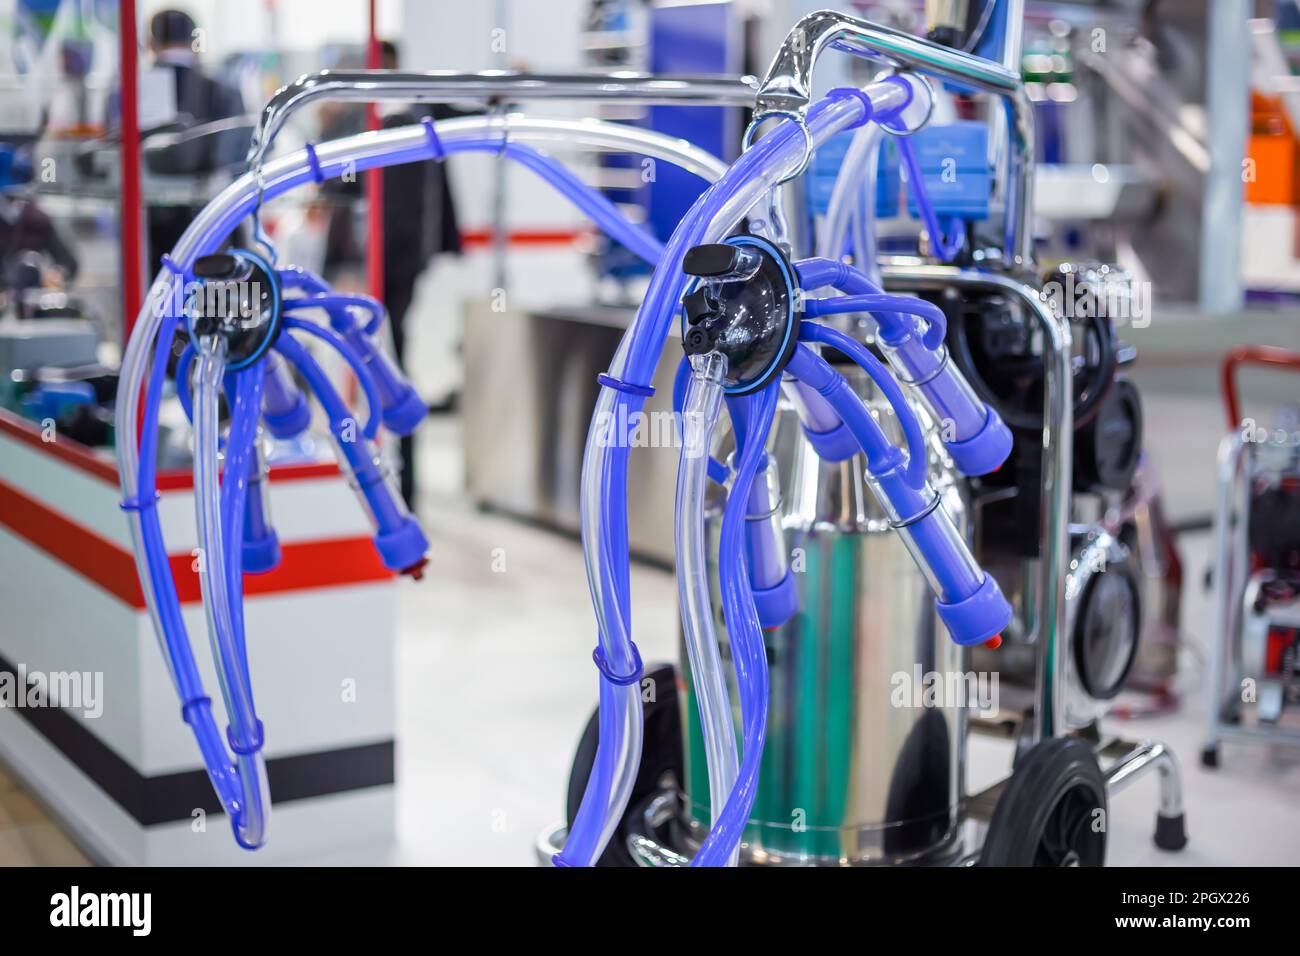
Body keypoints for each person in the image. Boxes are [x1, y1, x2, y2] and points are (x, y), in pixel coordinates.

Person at [321, 40, 463, 510]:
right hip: (360, 262)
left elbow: (477, 111)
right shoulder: (353, 118)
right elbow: (330, 180)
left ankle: (402, 486)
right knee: (360, 364)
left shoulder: (422, 110)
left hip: (401, 262)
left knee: (391, 364)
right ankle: (367, 477)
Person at [143, 9, 244, 272]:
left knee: (158, 306)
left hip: (149, 232)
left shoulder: (131, 91)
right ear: (195, 42)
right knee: (213, 306)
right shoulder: (225, 91)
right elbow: (243, 156)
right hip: (212, 226)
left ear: (151, 43)